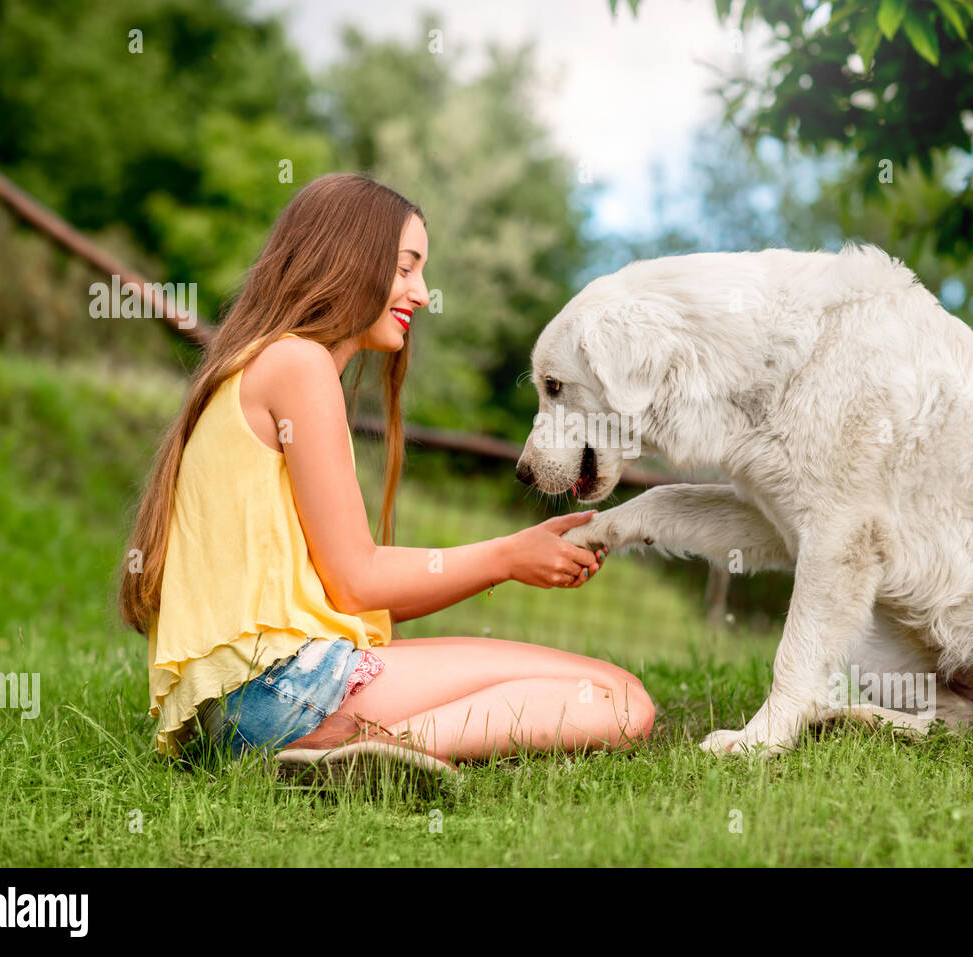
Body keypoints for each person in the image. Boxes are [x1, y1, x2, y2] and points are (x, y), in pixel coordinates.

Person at [117, 173, 655, 772]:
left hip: (243, 707)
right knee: (619, 700)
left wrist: (514, 557)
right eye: (405, 268)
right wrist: (510, 557)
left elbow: (345, 585)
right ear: (347, 260)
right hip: (279, 694)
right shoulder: (297, 364)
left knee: (611, 692)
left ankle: (356, 750)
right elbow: (358, 581)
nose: (422, 293)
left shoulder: (260, 366)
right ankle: (376, 752)